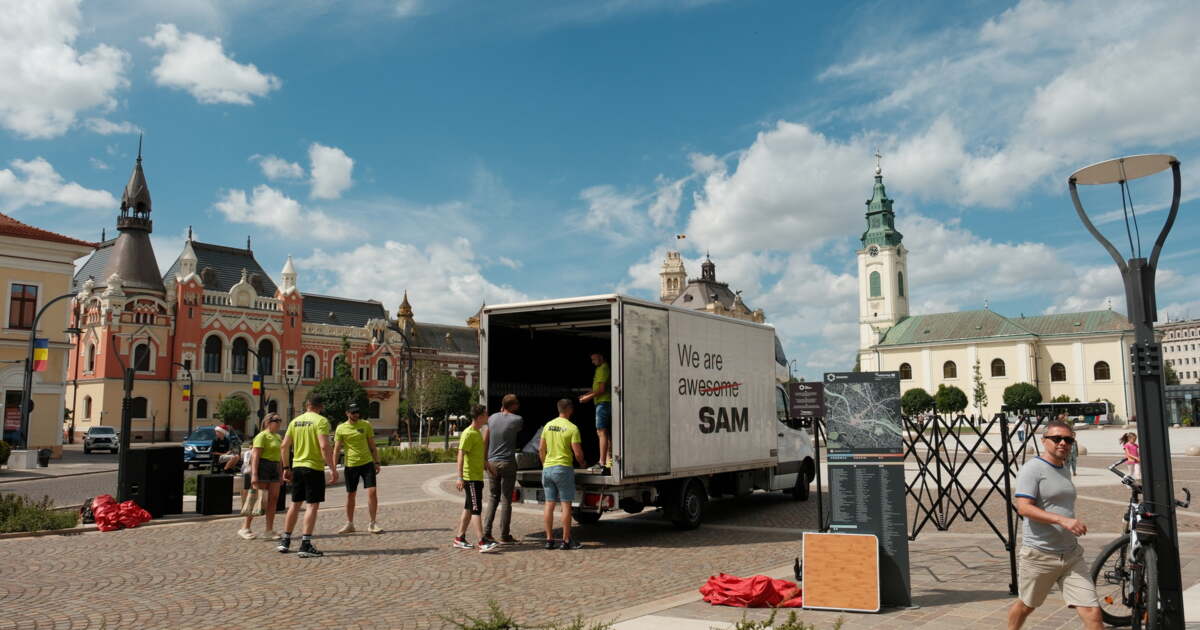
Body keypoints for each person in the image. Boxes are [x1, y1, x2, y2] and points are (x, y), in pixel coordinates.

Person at [1007, 419, 1102, 630]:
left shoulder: (1063, 468)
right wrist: (1063, 520)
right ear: (1044, 441)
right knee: (1026, 605)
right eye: (1057, 438)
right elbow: (1023, 508)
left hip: (1071, 555)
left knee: (1093, 613)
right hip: (1040, 555)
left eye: (1068, 439)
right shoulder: (1032, 469)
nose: (1063, 443)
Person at [278, 395, 338, 558]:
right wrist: (332, 468)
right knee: (312, 505)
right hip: (313, 468)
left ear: (307, 406)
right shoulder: (321, 421)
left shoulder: (295, 421)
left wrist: (285, 467)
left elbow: (284, 446)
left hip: (297, 466)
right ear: (320, 406)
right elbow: (324, 446)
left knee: (295, 504)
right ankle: (305, 543)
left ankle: (285, 540)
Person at [540, 399, 587, 550]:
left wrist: (544, 464)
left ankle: (549, 540)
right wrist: (583, 463)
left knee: (549, 504)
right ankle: (566, 540)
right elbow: (577, 452)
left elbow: (541, 449)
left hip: (547, 468)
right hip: (563, 468)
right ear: (570, 409)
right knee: (566, 504)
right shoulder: (572, 428)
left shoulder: (548, 425)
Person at [452, 405, 498, 553]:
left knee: (469, 508)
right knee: (476, 509)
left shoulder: (477, 432)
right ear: (479, 418)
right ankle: (482, 541)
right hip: (470, 478)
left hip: (477, 477)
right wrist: (459, 477)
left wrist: (488, 466)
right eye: (486, 415)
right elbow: (461, 454)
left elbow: (477, 455)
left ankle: (459, 538)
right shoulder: (469, 433)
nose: (488, 417)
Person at [334, 402, 383, 534]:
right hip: (350, 465)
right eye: (353, 412)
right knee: (351, 494)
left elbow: (372, 445)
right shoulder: (341, 428)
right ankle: (350, 524)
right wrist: (333, 468)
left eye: (357, 412)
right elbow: (337, 449)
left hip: (367, 463)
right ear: (347, 413)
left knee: (372, 491)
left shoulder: (365, 425)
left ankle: (373, 523)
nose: (356, 414)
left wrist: (377, 462)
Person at [481, 394, 523, 545]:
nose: (518, 406)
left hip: (492, 462)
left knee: (493, 497)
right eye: (517, 404)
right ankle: (504, 534)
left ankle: (486, 532)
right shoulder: (517, 420)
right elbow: (517, 430)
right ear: (512, 405)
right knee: (506, 500)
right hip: (507, 463)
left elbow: (486, 437)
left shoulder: (492, 418)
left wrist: (484, 460)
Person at [238, 414, 284, 540]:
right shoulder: (261, 436)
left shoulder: (278, 437)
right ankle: (245, 527)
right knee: (256, 499)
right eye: (276, 420)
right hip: (263, 467)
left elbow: (280, 457)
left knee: (273, 499)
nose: (279, 422)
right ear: (268, 422)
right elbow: (255, 456)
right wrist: (254, 474)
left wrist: (281, 473)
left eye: (280, 420)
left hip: (274, 468)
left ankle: (269, 530)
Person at [579, 352, 611, 474]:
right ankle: (608, 462)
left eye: (594, 359)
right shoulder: (600, 369)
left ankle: (601, 463)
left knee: (601, 432)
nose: (593, 362)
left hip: (603, 403)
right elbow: (597, 388)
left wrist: (588, 398)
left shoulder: (603, 369)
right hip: (602, 403)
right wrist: (587, 394)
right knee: (605, 433)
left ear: (601, 357)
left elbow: (601, 390)